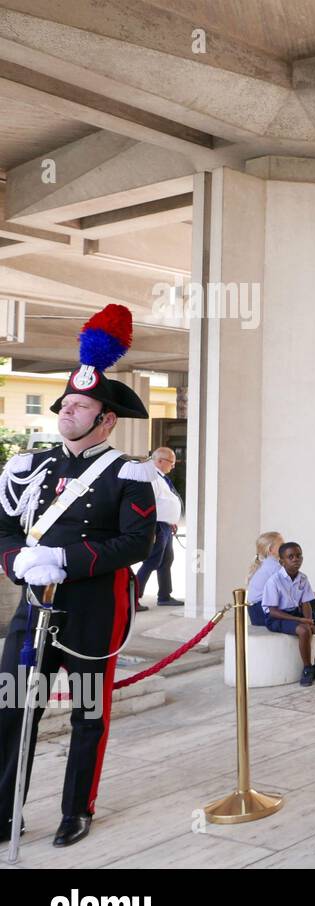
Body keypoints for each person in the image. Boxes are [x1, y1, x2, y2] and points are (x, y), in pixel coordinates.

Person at [0, 304, 157, 848]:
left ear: (105, 418)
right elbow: (3, 526)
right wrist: (15, 559)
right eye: (65, 403)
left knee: (87, 715)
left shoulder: (129, 474)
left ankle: (76, 810)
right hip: (34, 609)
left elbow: (137, 542)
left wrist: (66, 560)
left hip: (92, 610)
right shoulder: (32, 469)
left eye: (80, 405)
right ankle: (4, 813)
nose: (67, 412)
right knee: (13, 709)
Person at [261, 542, 315, 687]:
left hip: (296, 613)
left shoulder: (302, 578)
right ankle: (307, 668)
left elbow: (305, 603)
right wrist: (302, 621)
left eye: (299, 556)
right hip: (277, 617)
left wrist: (309, 620)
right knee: (303, 630)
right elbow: (272, 611)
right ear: (282, 561)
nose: (295, 559)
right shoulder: (274, 581)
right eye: (290, 557)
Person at [133, 447, 183, 611]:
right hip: (157, 526)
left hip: (165, 525)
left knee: (166, 561)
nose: (173, 466)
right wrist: (152, 528)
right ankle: (133, 598)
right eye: (172, 462)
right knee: (152, 562)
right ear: (160, 461)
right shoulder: (152, 477)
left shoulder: (160, 477)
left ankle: (164, 595)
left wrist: (171, 520)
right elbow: (148, 504)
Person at [246, 531, 284, 628]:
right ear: (271, 549)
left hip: (254, 612)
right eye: (282, 545)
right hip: (263, 612)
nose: (286, 547)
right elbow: (287, 589)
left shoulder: (266, 563)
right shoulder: (275, 567)